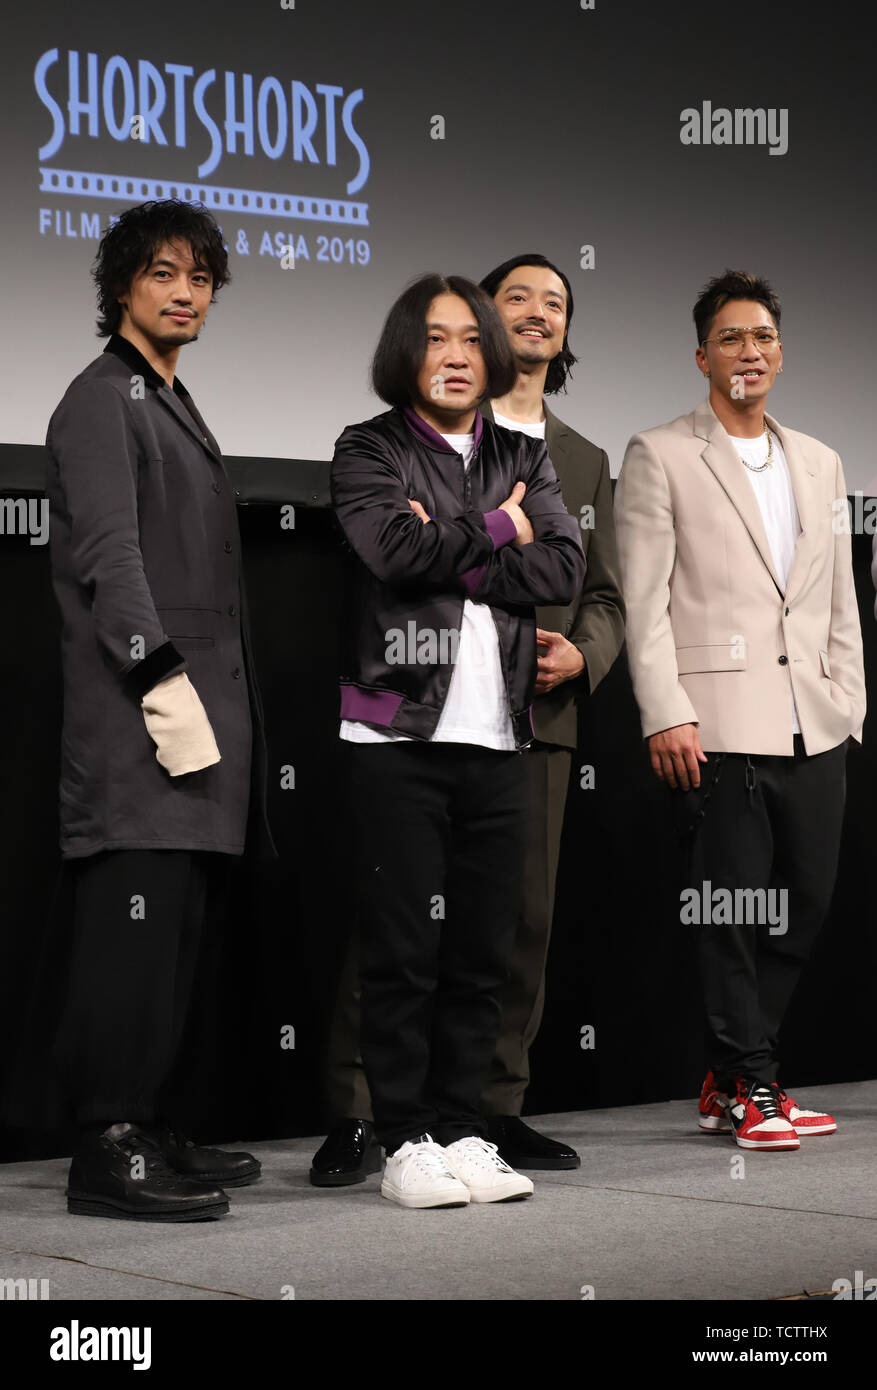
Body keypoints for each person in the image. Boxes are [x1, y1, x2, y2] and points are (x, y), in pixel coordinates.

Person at [311, 254, 623, 1185]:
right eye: (434, 338)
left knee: (483, 950)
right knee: (402, 949)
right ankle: (399, 1139)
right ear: (406, 353)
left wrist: (466, 541)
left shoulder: (524, 455)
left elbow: (564, 573)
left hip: (500, 736)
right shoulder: (367, 447)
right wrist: (500, 529)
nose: (453, 354)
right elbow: (393, 552)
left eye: (465, 340)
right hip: (395, 731)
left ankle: (460, 1131)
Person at [45, 200, 273, 1219]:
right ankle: (108, 1144)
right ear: (121, 287)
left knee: (177, 931)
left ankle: (154, 1125)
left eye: (199, 276)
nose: (184, 291)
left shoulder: (172, 398)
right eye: (161, 273)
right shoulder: (102, 399)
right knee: (131, 934)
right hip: (143, 721)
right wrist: (163, 689)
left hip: (197, 728)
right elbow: (111, 560)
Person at [614, 269, 865, 1150]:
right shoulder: (660, 453)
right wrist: (662, 712)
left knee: (807, 904)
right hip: (715, 722)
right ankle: (751, 1086)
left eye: (760, 337)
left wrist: (846, 699)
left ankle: (733, 1075)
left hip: (815, 720)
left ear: (780, 352)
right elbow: (643, 602)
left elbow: (837, 597)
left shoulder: (821, 461)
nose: (747, 352)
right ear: (701, 356)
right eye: (729, 338)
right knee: (730, 910)